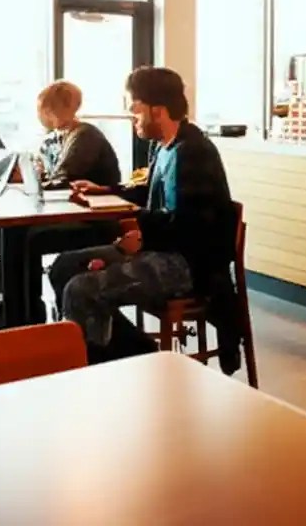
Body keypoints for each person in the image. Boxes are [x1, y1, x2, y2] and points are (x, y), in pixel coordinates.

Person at [47, 67, 240, 367]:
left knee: (81, 289)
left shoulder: (193, 152)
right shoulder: (163, 146)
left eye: (135, 111)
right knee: (62, 267)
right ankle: (135, 353)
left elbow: (190, 228)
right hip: (160, 248)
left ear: (158, 110)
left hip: (185, 264)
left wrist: (139, 233)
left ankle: (119, 365)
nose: (131, 117)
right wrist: (106, 190)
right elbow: (148, 194)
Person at [22, 80, 123, 322]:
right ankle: (28, 315)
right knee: (27, 238)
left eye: (44, 110)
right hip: (84, 215)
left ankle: (30, 318)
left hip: (99, 223)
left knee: (31, 240)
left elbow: (65, 176)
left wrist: (38, 180)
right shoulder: (69, 136)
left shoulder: (85, 136)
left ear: (53, 110)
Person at [35, 80, 121, 189]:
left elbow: (64, 180)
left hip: (98, 201)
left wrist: (35, 185)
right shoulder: (53, 140)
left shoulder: (85, 136)